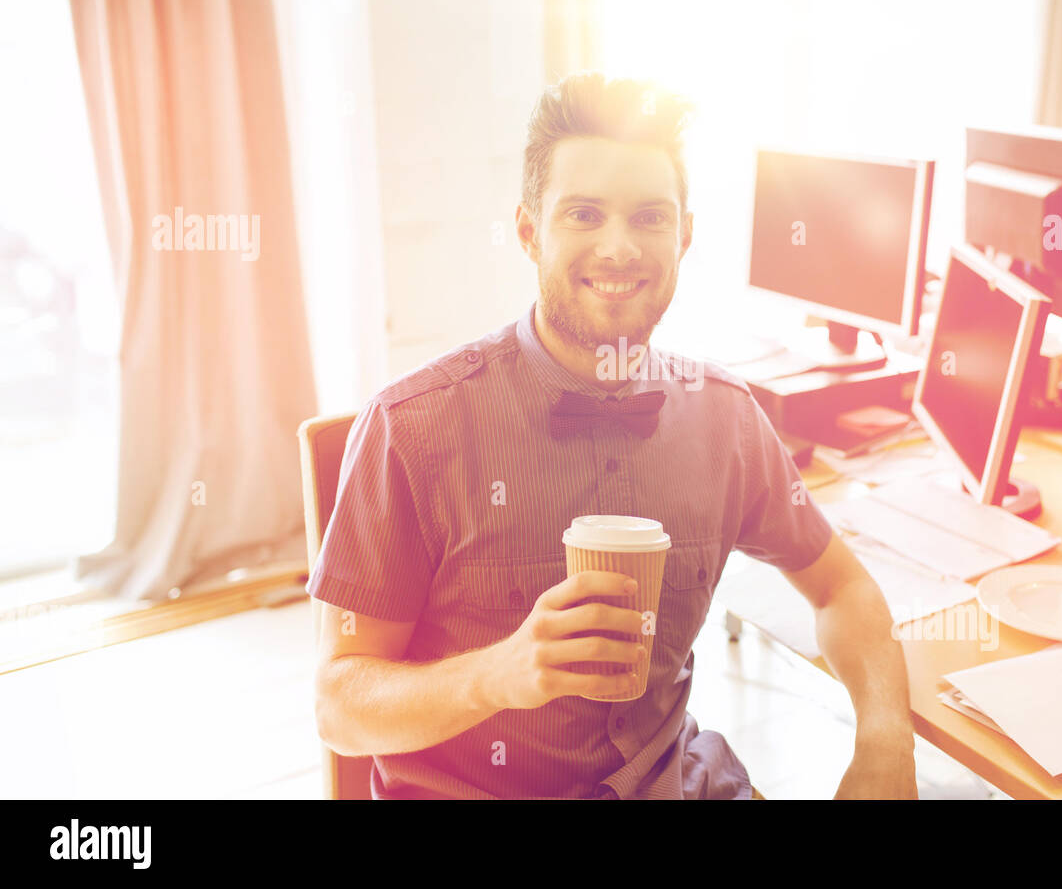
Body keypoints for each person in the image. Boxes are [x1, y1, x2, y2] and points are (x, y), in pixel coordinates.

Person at [308, 72, 917, 799]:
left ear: (685, 235)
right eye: (585, 214)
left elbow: (842, 588)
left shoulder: (725, 418)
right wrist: (495, 675)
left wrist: (885, 741)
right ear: (531, 231)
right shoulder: (411, 431)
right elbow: (339, 703)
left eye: (650, 218)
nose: (620, 248)